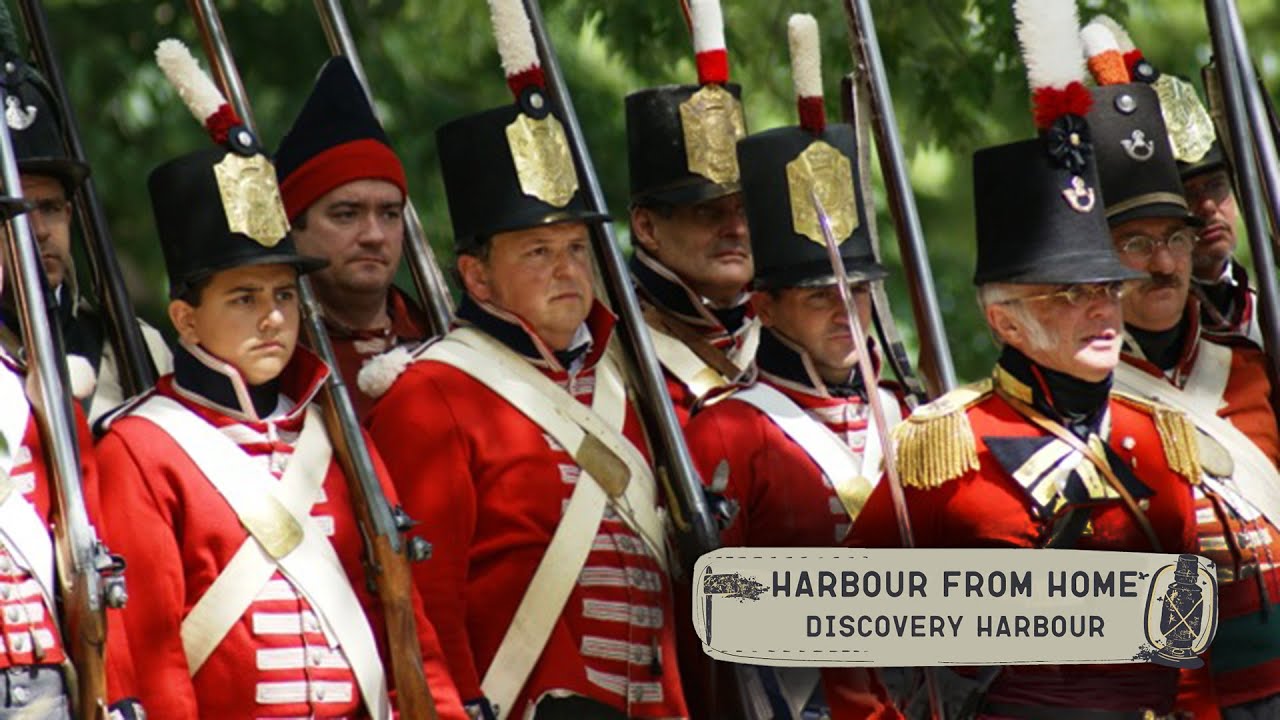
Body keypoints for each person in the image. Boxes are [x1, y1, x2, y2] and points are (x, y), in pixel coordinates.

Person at [847, 6, 1201, 715]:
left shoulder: (1160, 441)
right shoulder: (944, 449)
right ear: (1002, 319)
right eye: (1072, 293)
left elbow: (1188, 655)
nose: (1102, 309)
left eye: (1107, 288)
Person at [93, 46, 465, 718]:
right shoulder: (143, 448)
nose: (271, 317)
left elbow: (404, 615)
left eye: (283, 295)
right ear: (185, 317)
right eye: (242, 299)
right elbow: (155, 663)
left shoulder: (329, 425)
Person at [359, 20, 687, 718]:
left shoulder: (630, 386)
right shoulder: (432, 395)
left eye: (575, 246)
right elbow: (422, 605)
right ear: (477, 277)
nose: (567, 267)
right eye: (537, 252)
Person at [684, 15, 902, 718]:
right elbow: (716, 609)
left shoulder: (906, 414)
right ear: (767, 308)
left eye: (859, 293)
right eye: (819, 297)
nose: (847, 312)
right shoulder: (729, 429)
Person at [1086, 74, 1280, 719]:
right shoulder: (1077, 400)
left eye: (1173, 239)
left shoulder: (1248, 365)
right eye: (1136, 244)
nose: (1164, 263)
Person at [0, 57, 171, 423]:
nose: (40, 230)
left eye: (49, 208)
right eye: (16, 212)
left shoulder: (136, 345)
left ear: (70, 214)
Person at [274, 56, 431, 421]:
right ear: (294, 226)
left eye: (389, 214)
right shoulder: (271, 356)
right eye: (346, 214)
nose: (374, 235)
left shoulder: (444, 340)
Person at [625, 0, 756, 426]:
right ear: (646, 227)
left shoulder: (783, 329)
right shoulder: (612, 340)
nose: (735, 227)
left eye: (744, 208)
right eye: (707, 212)